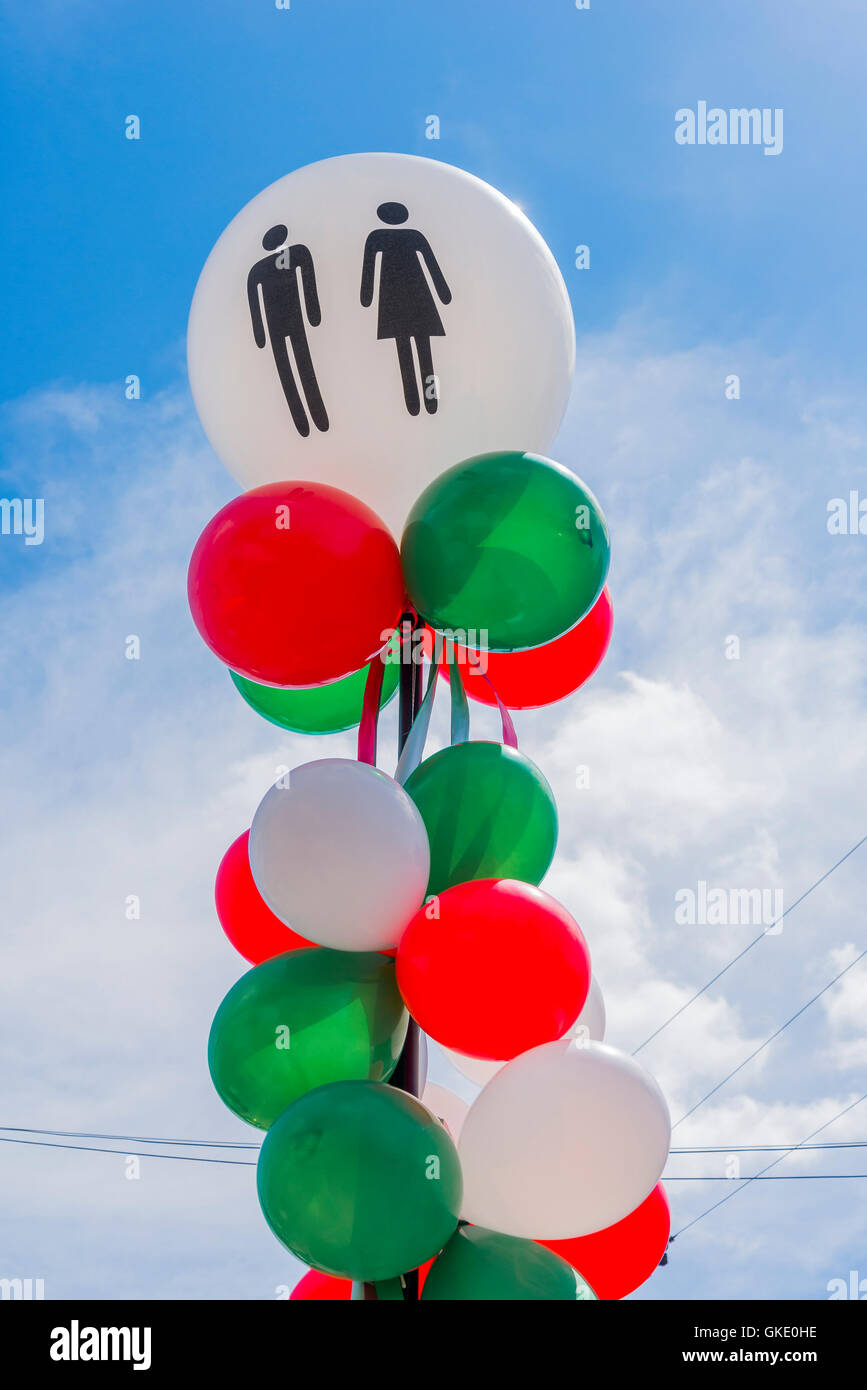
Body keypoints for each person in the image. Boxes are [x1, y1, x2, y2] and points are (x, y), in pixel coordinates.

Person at [360, 202, 452, 416]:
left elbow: (369, 267)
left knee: (408, 350)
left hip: (395, 297)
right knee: (422, 349)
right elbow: (431, 266)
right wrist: (442, 291)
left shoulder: (379, 236)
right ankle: (426, 398)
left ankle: (418, 398)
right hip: (415, 296)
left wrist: (367, 295)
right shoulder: (412, 235)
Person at [247, 225, 329, 437]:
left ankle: (311, 418)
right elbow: (255, 304)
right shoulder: (294, 255)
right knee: (300, 366)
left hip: (281, 323)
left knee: (290, 370)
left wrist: (260, 335)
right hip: (289, 320)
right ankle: (312, 417)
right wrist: (313, 313)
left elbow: (306, 279)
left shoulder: (260, 269)